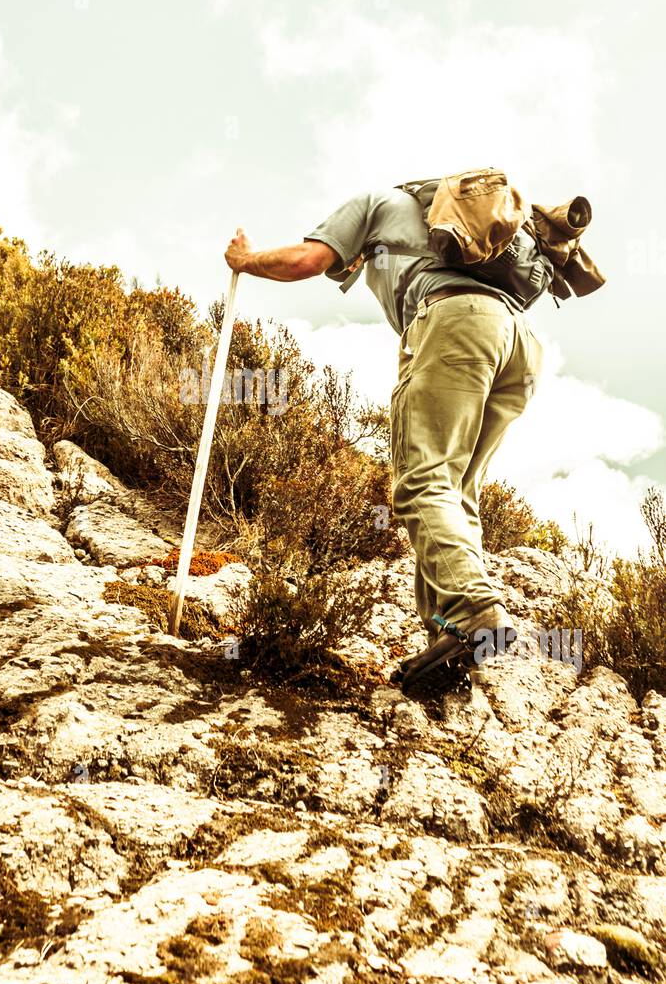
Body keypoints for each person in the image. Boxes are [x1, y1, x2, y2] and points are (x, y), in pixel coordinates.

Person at [224, 183, 545, 698]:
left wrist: (245, 259)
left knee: (422, 483)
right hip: (520, 343)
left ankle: (474, 609)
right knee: (457, 491)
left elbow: (306, 260)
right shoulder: (455, 224)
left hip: (455, 322)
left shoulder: (373, 204)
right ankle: (450, 635)